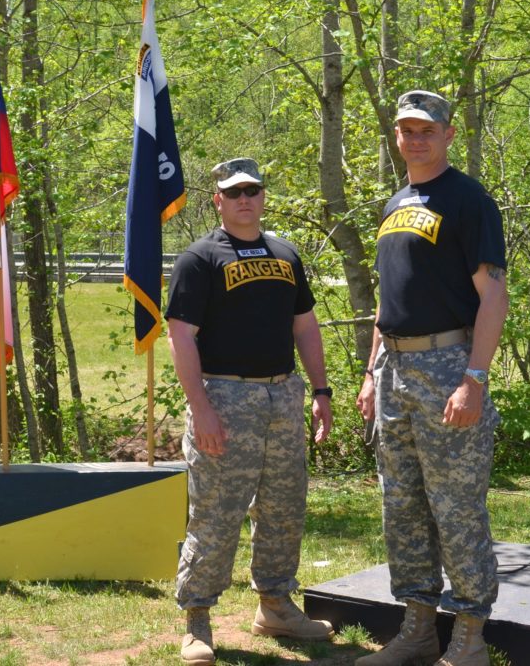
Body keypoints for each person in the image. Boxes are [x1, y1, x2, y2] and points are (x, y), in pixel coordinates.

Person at [356, 91, 509, 666]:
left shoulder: (468, 200)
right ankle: (417, 628)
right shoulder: (396, 202)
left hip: (448, 367)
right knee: (403, 504)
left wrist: (474, 378)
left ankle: (470, 635)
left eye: (427, 129)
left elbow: (493, 294)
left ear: (447, 134)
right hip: (394, 371)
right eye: (406, 130)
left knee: (457, 505)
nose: (415, 139)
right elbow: (385, 300)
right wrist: (373, 373)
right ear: (396, 137)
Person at [166, 157, 335, 665]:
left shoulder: (286, 254)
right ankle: (197, 618)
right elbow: (181, 337)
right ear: (217, 199)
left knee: (284, 509)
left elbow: (304, 326)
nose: (244, 199)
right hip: (225, 396)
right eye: (233, 191)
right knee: (217, 514)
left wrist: (322, 393)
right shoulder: (199, 258)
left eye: (252, 190)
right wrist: (202, 409)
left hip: (282, 394)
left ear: (263, 197)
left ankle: (276, 605)